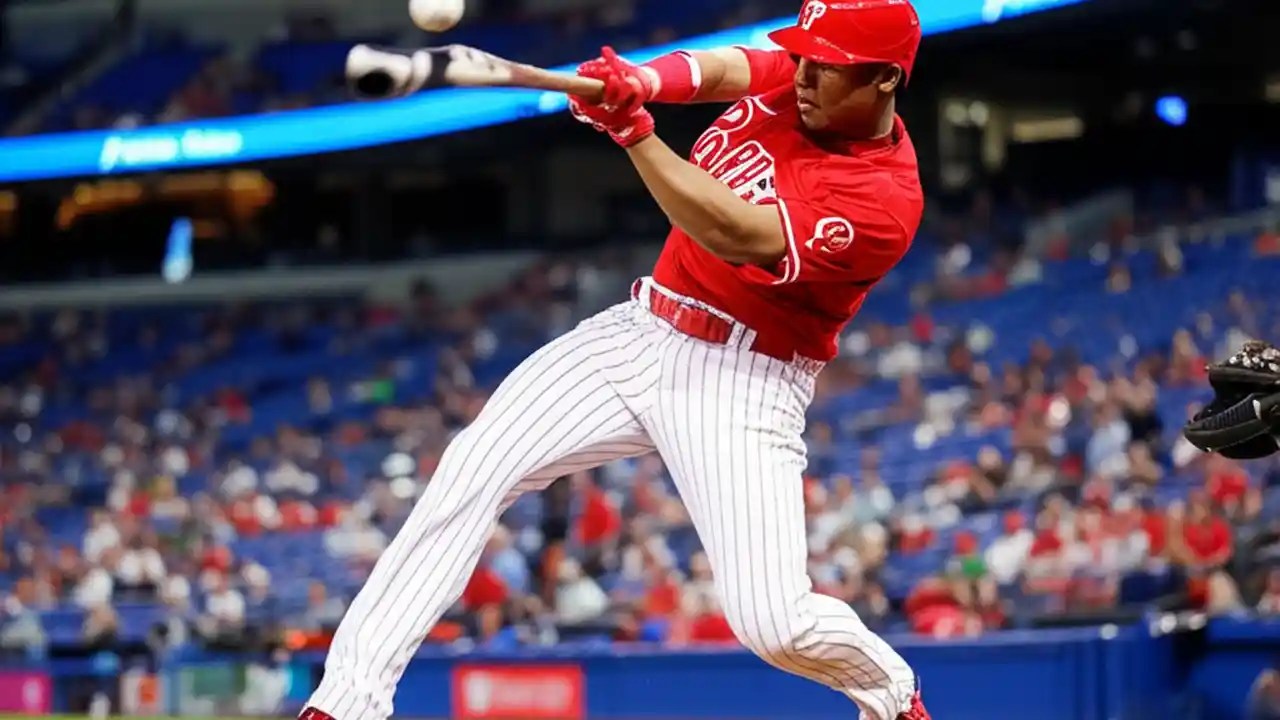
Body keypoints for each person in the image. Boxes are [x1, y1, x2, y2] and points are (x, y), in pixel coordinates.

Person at [299, 1, 929, 719]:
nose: (805, 75)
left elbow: (730, 229)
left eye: (827, 67)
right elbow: (721, 67)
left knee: (773, 622)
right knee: (474, 467)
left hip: (741, 379)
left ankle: (892, 695)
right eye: (804, 58)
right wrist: (641, 81)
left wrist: (633, 130)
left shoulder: (881, 201)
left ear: (884, 80)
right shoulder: (807, 76)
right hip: (642, 326)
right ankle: (347, 703)